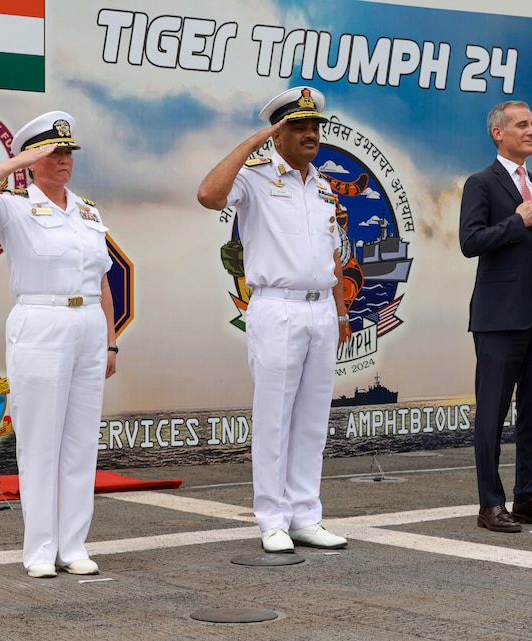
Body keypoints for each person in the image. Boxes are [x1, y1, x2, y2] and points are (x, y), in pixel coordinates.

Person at [0, 111, 117, 578]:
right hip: (41, 320)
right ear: (33, 160)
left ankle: (74, 545)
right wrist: (15, 163)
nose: (63, 161)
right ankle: (41, 550)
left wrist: (109, 343)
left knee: (80, 441)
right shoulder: (15, 206)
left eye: (67, 153)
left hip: (87, 323)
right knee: (40, 439)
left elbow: (102, 282)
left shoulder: (88, 212)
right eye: (53, 153)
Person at [197, 87, 350, 552]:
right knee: (274, 418)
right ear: (277, 135)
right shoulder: (255, 179)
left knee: (312, 419)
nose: (310, 135)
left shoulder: (322, 185)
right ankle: (272, 518)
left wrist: (342, 311)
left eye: (314, 128)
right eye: (298, 128)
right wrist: (252, 143)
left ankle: (306, 514)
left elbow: (332, 253)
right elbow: (208, 194)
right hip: (276, 306)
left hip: (321, 307)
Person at [459, 100, 532, 533]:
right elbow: (470, 242)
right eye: (521, 125)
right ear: (498, 133)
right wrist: (516, 220)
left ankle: (528, 496)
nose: (531, 131)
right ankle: (490, 503)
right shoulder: (481, 184)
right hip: (498, 319)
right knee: (491, 414)